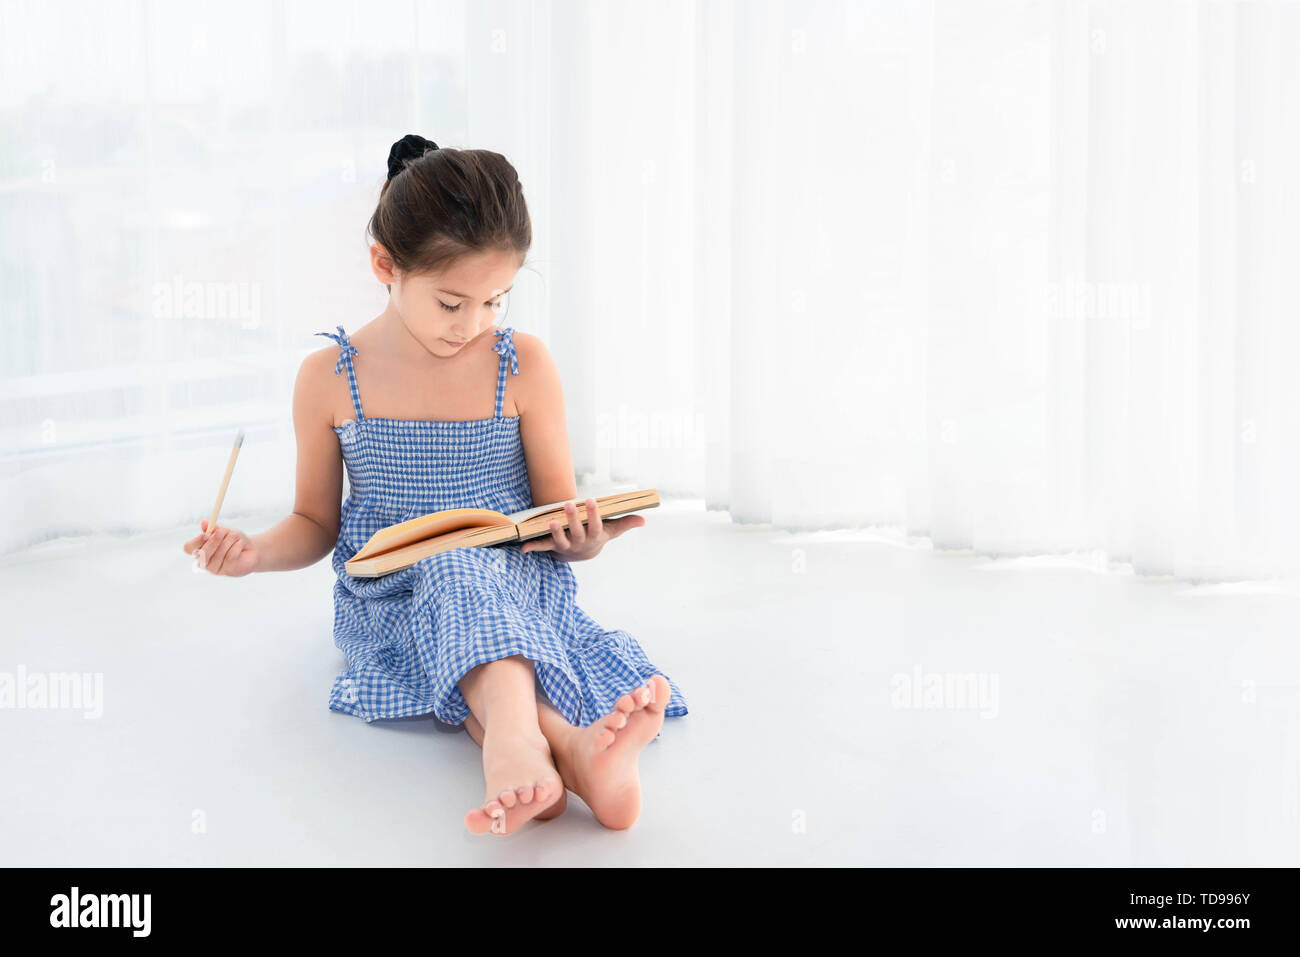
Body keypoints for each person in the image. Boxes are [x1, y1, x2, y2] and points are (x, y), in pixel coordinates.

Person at [182, 134, 688, 836]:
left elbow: (552, 510)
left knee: (465, 573)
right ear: (384, 265)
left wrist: (583, 542)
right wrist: (255, 552)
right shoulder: (330, 378)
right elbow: (313, 521)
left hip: (514, 585)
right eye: (452, 303)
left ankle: (538, 750)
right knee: (450, 575)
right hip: (388, 595)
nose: (473, 325)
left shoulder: (524, 365)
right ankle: (559, 747)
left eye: (495, 302)